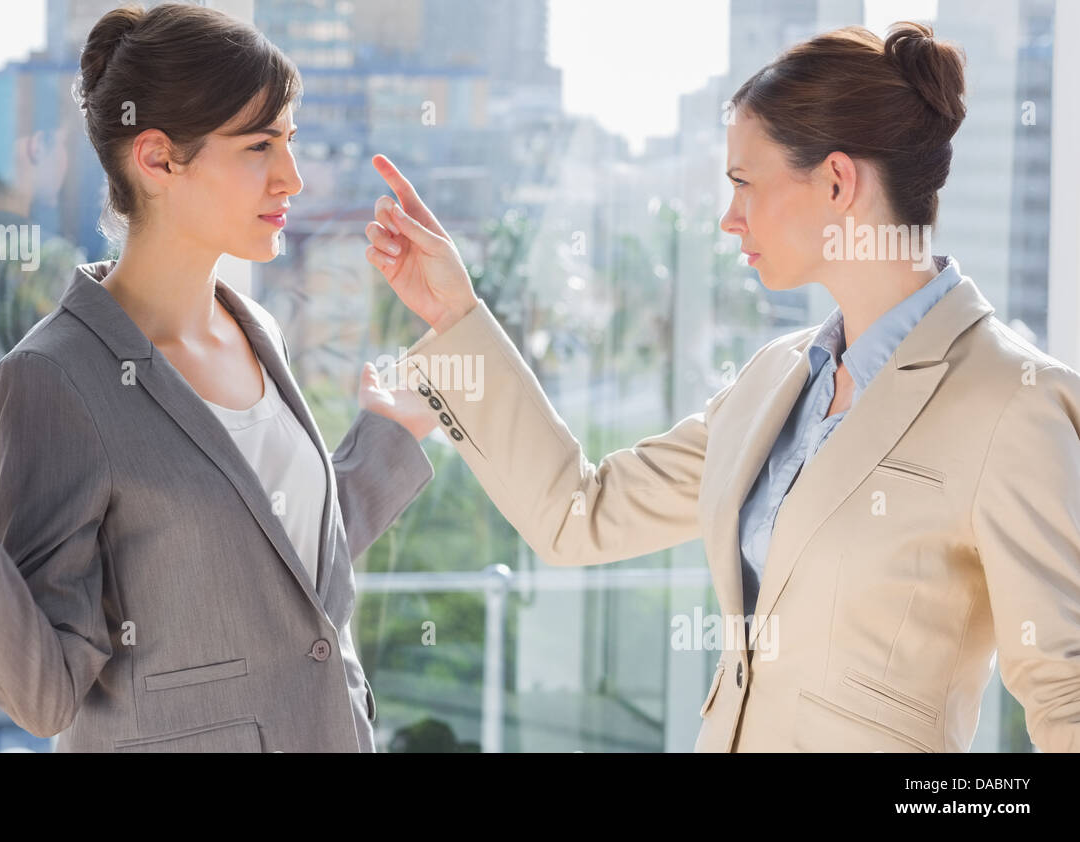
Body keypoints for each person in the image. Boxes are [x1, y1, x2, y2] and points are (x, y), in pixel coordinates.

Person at [362, 22, 1080, 752]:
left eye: (742, 183)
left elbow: (1067, 696)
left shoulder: (1013, 403)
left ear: (837, 181)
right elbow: (581, 512)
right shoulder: (776, 379)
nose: (728, 217)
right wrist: (456, 314)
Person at [0, 2, 436, 752]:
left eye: (290, 141)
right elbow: (48, 691)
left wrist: (387, 440)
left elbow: (272, 570)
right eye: (260, 146)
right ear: (158, 159)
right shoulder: (54, 380)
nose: (292, 175)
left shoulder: (257, 332)